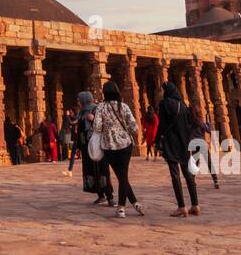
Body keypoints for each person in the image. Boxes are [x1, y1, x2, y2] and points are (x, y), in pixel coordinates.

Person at [92, 81, 143, 219]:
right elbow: (134, 128)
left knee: (122, 176)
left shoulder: (101, 107)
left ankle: (121, 208)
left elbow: (96, 127)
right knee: (123, 176)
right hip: (125, 145)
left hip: (109, 146)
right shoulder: (124, 106)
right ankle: (135, 203)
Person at [155, 81, 200, 218]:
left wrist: (157, 141)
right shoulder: (183, 105)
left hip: (171, 142)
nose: (160, 93)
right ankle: (195, 205)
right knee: (188, 174)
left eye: (162, 90)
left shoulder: (165, 104)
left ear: (167, 91)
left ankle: (181, 207)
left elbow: (162, 125)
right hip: (184, 142)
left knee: (175, 174)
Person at [75, 91, 113, 206]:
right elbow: (80, 131)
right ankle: (100, 195)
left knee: (102, 169)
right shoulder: (81, 113)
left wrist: (94, 119)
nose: (78, 102)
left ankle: (109, 196)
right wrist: (78, 147)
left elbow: (108, 124)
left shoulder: (97, 110)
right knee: (91, 170)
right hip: (86, 147)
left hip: (98, 145)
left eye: (79, 100)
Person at [61, 109, 77, 176]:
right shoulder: (72, 119)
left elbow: (72, 123)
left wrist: (67, 116)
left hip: (79, 137)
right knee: (72, 154)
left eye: (71, 112)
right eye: (69, 113)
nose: (70, 114)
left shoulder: (77, 118)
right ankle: (70, 170)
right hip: (75, 138)